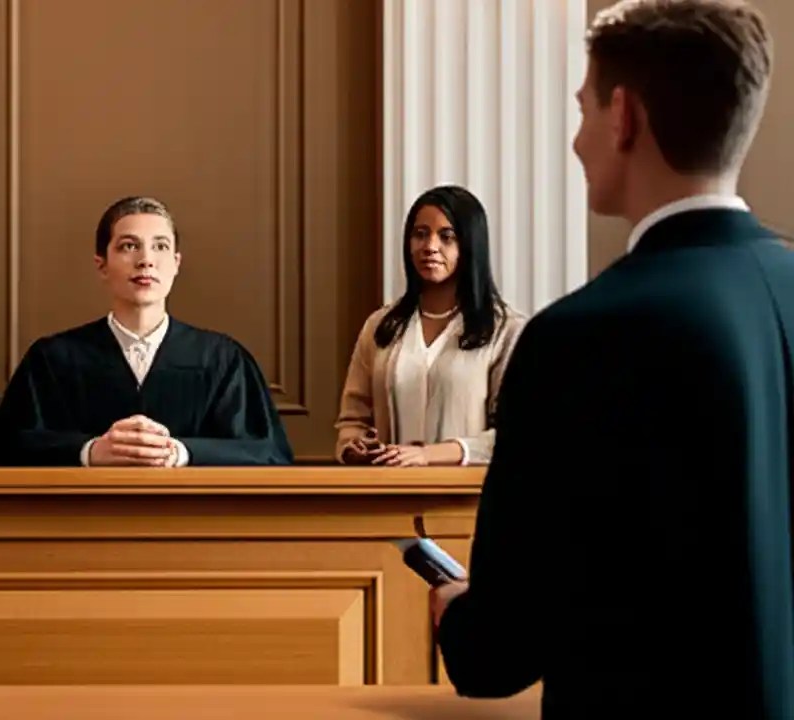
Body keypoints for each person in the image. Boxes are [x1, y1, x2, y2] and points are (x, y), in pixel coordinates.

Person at [431, 2, 793, 717]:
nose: (575, 139)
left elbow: (498, 652)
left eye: (582, 109)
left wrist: (455, 612)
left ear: (623, 116)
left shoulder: (584, 336)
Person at [0, 196, 293, 466]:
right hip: (81, 523)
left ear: (175, 263)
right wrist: (90, 452)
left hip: (193, 523)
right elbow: (6, 447)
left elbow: (268, 451)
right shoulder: (52, 359)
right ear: (102, 265)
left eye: (160, 246)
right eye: (129, 246)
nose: (146, 261)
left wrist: (179, 453)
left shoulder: (224, 359)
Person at [334, 185, 525, 466]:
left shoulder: (506, 330)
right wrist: (356, 447)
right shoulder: (381, 326)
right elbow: (352, 420)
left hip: (465, 500)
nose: (430, 247)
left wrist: (429, 454)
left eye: (446, 236)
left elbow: (517, 433)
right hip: (387, 496)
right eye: (420, 234)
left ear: (470, 245)